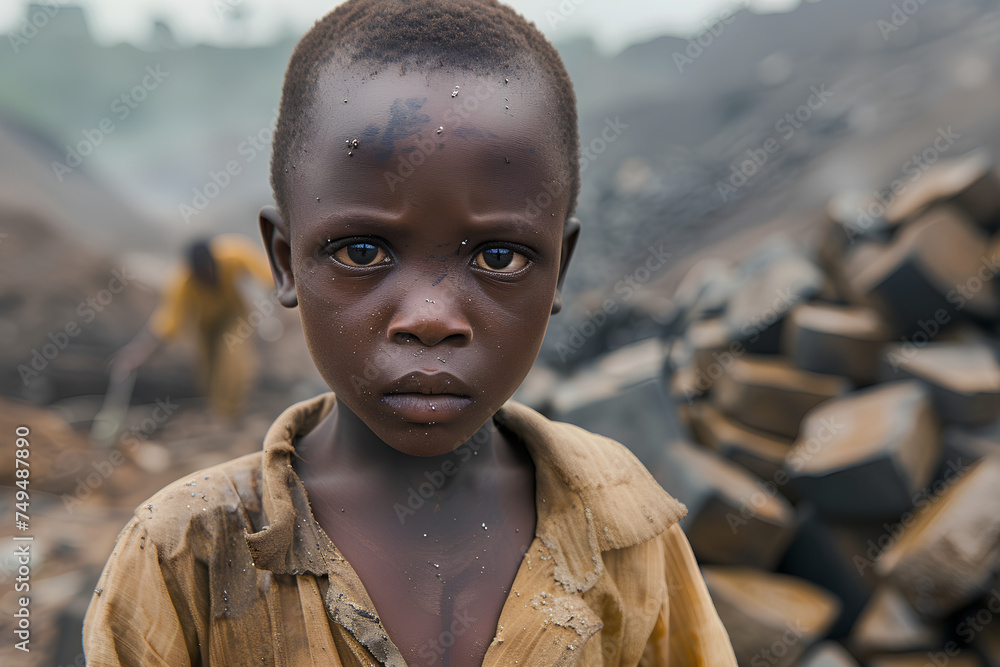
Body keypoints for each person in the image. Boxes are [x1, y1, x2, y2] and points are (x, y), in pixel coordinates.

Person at [83, 1, 737, 664]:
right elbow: (169, 321)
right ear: (286, 260)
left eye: (499, 257)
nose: (430, 317)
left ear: (559, 269)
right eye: (362, 252)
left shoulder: (625, 520)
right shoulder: (184, 555)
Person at [110, 234, 274, 420]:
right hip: (205, 325)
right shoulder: (181, 283)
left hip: (234, 315)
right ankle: (219, 412)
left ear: (213, 262)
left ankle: (232, 413)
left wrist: (281, 291)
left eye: (208, 270)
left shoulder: (232, 254)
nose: (206, 276)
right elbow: (166, 324)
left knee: (233, 357)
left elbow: (266, 273)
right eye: (200, 273)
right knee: (208, 370)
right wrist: (137, 354)